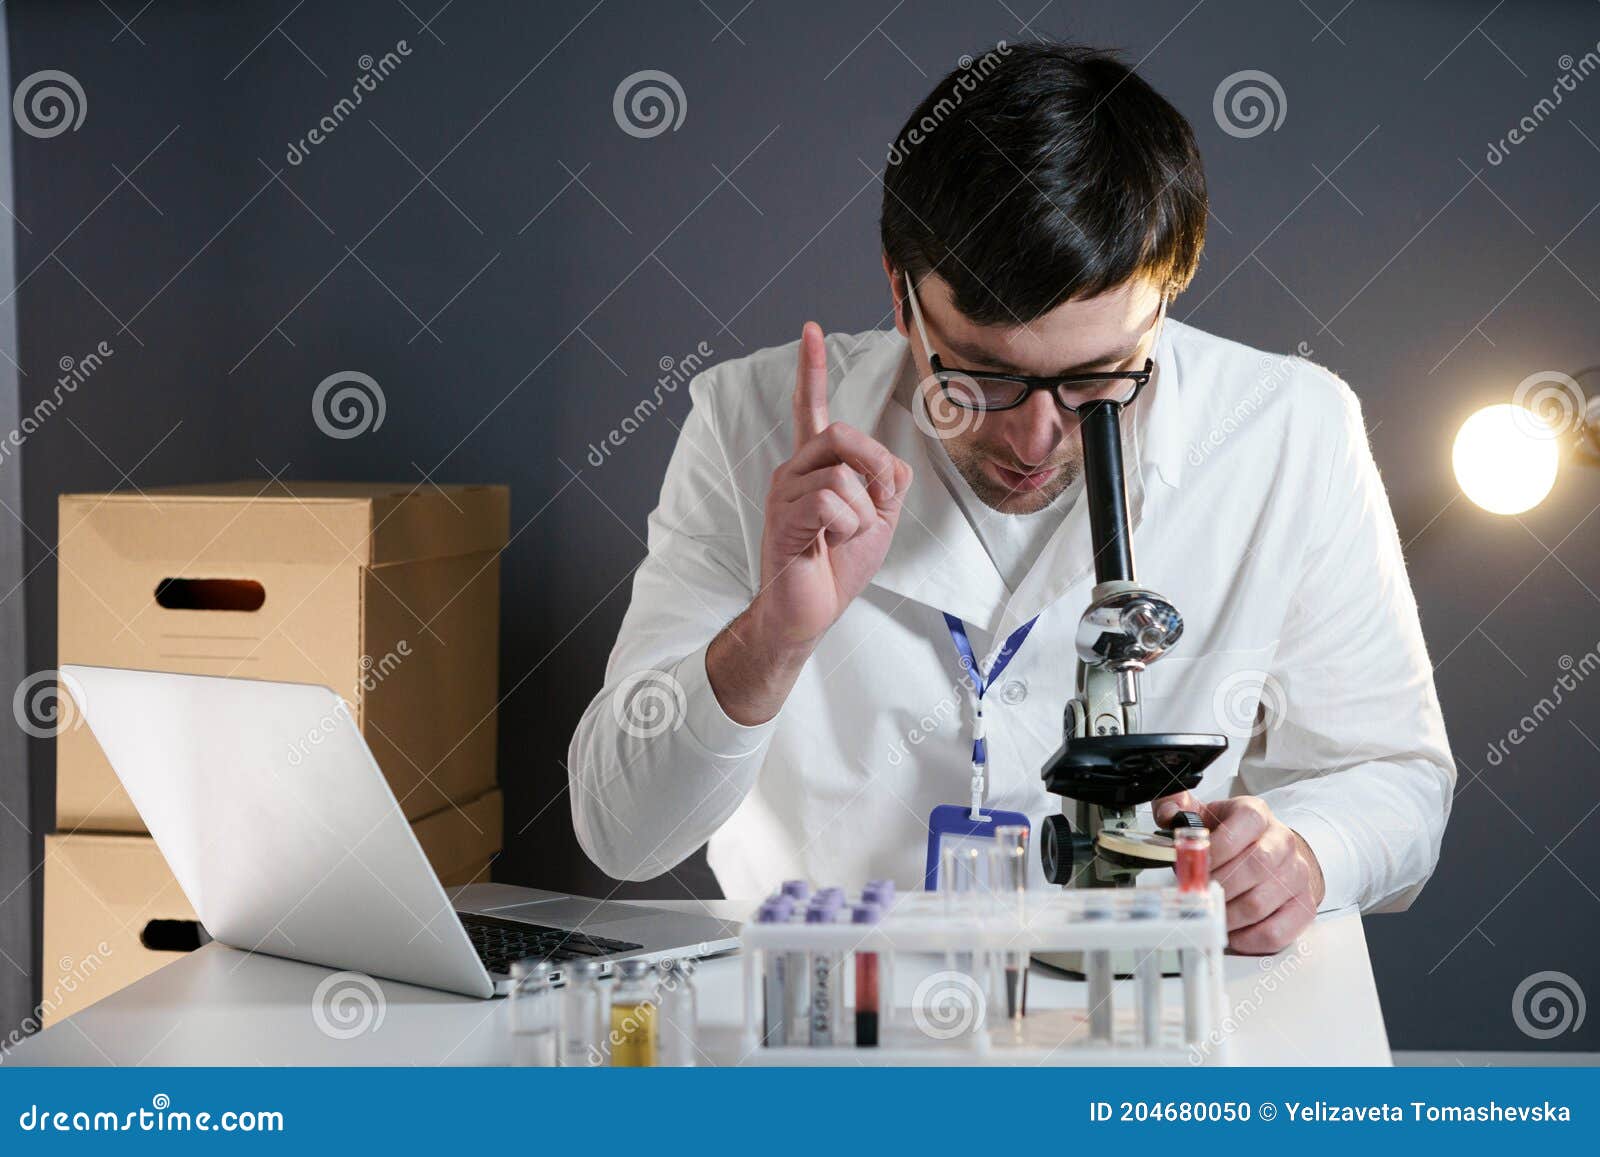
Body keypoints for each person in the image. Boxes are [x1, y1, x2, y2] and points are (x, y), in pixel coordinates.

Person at [568, 42, 1453, 953]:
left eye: (1098, 378)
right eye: (984, 373)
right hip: (828, 1010)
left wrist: (1306, 852)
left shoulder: (1290, 428)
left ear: (1166, 298)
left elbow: (1395, 775)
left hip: (1133, 1010)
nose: (1035, 440)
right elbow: (623, 834)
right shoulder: (746, 421)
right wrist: (770, 642)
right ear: (901, 292)